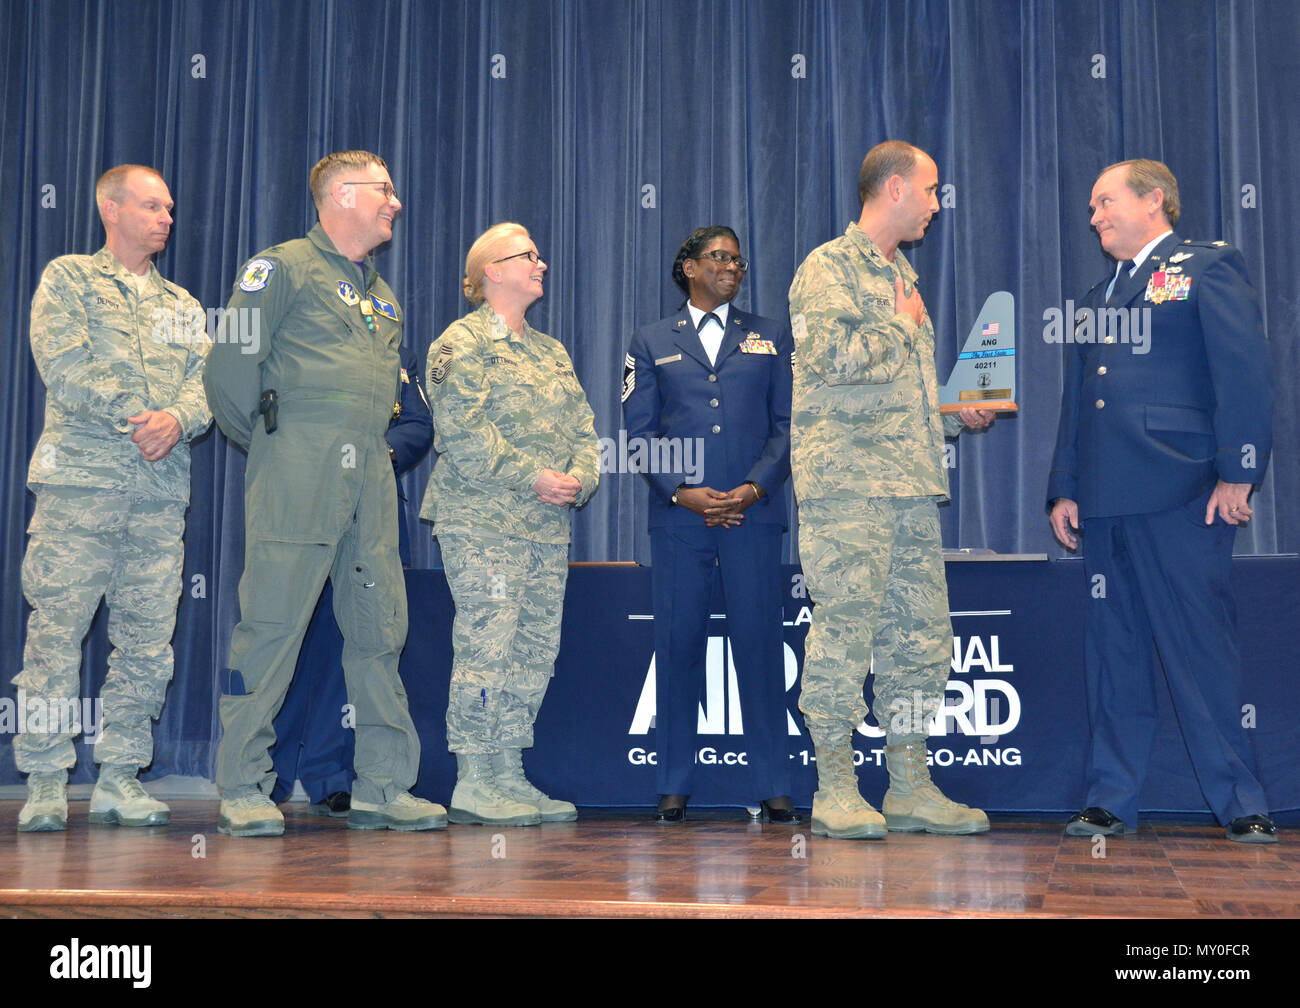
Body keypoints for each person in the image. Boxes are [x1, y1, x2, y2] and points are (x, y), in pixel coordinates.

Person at [204, 150, 444, 837]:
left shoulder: (383, 293)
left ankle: (383, 785)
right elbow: (227, 372)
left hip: (369, 469)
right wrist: (278, 446)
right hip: (298, 464)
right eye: (385, 190)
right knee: (273, 627)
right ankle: (244, 786)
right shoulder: (280, 268)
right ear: (341, 195)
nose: (396, 202)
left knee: (379, 630)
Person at [1048, 158, 1276, 843]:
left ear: (1154, 199)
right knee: (1113, 653)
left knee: (1200, 650)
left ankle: (1241, 801)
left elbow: (1245, 371)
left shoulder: (1207, 267)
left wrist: (1239, 470)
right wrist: (1065, 487)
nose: (1094, 217)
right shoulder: (1095, 295)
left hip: (1182, 491)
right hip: (1107, 498)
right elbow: (1079, 402)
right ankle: (1111, 799)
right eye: (1091, 208)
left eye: (1104, 202)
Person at [787, 141, 994, 841]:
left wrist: (953, 415)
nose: (938, 205)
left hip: (908, 484)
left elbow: (900, 392)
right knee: (845, 632)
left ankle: (909, 784)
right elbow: (831, 360)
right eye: (932, 191)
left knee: (918, 640)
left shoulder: (903, 275)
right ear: (897, 188)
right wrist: (899, 328)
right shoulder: (828, 268)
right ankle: (835, 787)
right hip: (846, 487)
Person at [15, 164, 211, 832]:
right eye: (153, 206)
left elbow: (206, 385)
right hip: (80, 490)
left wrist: (179, 420)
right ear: (111, 207)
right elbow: (65, 367)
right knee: (55, 637)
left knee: (147, 644)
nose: (166, 218)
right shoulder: (68, 279)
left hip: (156, 500)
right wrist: (144, 418)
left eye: (170, 208)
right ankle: (44, 777)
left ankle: (121, 777)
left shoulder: (184, 306)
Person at [421, 222, 599, 827]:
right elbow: (462, 435)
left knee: (533, 649)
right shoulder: (459, 343)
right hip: (483, 524)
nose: (542, 264)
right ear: (493, 270)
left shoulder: (551, 351)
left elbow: (584, 429)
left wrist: (581, 477)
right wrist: (535, 476)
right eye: (529, 256)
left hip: (546, 528)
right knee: (486, 646)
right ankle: (474, 775)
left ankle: (507, 771)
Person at [623, 226, 798, 824]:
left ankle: (774, 782)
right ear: (689, 267)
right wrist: (683, 493)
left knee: (759, 649)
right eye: (719, 258)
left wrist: (752, 489)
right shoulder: (649, 341)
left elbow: (789, 426)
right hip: (681, 523)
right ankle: (673, 782)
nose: (732, 268)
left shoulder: (772, 336)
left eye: (738, 260)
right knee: (676, 649)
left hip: (754, 516)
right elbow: (640, 436)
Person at [268, 343, 433, 817]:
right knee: (284, 640)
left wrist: (369, 456)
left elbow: (417, 425)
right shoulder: (296, 344)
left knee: (360, 645)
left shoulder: (394, 354)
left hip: (372, 511)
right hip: (301, 505)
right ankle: (265, 774)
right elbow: (259, 410)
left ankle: (332, 773)